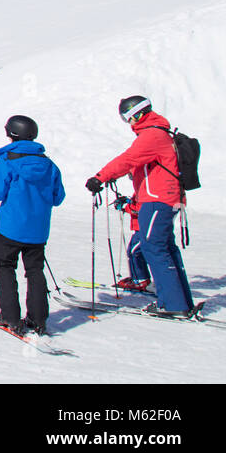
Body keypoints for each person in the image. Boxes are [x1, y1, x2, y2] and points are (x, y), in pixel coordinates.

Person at [87, 96, 194, 315]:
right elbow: (141, 163)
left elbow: (128, 158)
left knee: (154, 248)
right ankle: (181, 302)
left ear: (135, 114)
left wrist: (101, 177)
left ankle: (173, 305)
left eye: (127, 119)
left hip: (157, 200)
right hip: (165, 198)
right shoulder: (159, 132)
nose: (129, 124)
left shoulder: (152, 134)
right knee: (165, 249)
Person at [0, 115, 65, 336]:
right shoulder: (49, 164)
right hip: (38, 231)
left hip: (10, 228)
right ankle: (38, 320)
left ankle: (10, 317)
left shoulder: (7, 160)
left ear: (11, 134)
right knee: (35, 271)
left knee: (6, 268)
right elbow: (58, 198)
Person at [114, 195, 150, 292]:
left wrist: (125, 208)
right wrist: (129, 200)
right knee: (133, 251)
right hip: (139, 228)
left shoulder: (145, 186)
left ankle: (140, 280)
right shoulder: (140, 187)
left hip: (143, 228)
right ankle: (138, 278)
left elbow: (140, 210)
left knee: (134, 252)